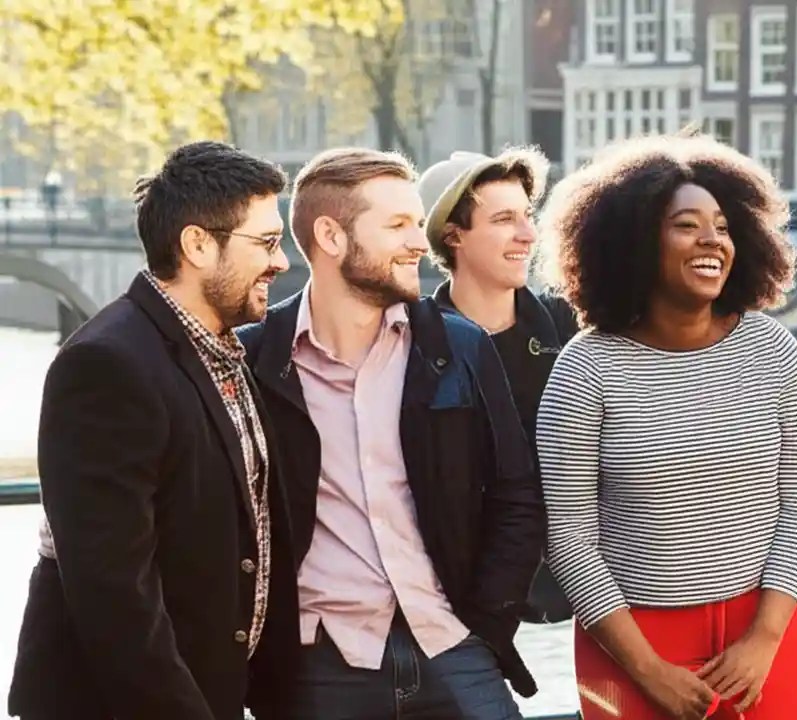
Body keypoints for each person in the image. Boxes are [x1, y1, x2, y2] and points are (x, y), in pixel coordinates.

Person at [237, 148, 543, 719]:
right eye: (397, 224)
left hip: (455, 647)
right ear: (331, 236)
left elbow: (517, 493)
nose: (420, 242)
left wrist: (487, 621)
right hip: (317, 668)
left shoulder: (458, 346)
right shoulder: (255, 360)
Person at [534, 133, 797, 720]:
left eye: (721, 226)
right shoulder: (584, 370)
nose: (711, 240)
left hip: (766, 634)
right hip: (631, 646)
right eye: (686, 225)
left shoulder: (773, 350)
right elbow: (570, 538)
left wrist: (765, 638)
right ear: (636, 242)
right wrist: (646, 670)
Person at [8, 141, 296, 719]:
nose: (282, 260)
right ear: (196, 244)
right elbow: (115, 593)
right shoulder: (106, 365)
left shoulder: (224, 352)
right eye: (265, 242)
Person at [418, 148, 577, 624]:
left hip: (587, 591)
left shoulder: (572, 327)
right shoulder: (415, 346)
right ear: (453, 236)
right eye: (504, 219)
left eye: (527, 217)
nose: (528, 234)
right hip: (464, 602)